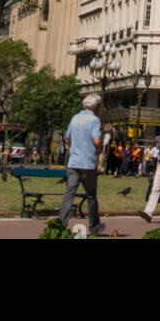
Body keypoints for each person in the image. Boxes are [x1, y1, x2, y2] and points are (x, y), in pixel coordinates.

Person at [59, 96, 104, 236]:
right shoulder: (94, 120)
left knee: (69, 193)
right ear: (96, 106)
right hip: (88, 163)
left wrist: (73, 148)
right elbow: (96, 141)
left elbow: (67, 138)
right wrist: (101, 147)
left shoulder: (75, 118)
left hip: (73, 162)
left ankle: (62, 223)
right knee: (91, 195)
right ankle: (94, 227)